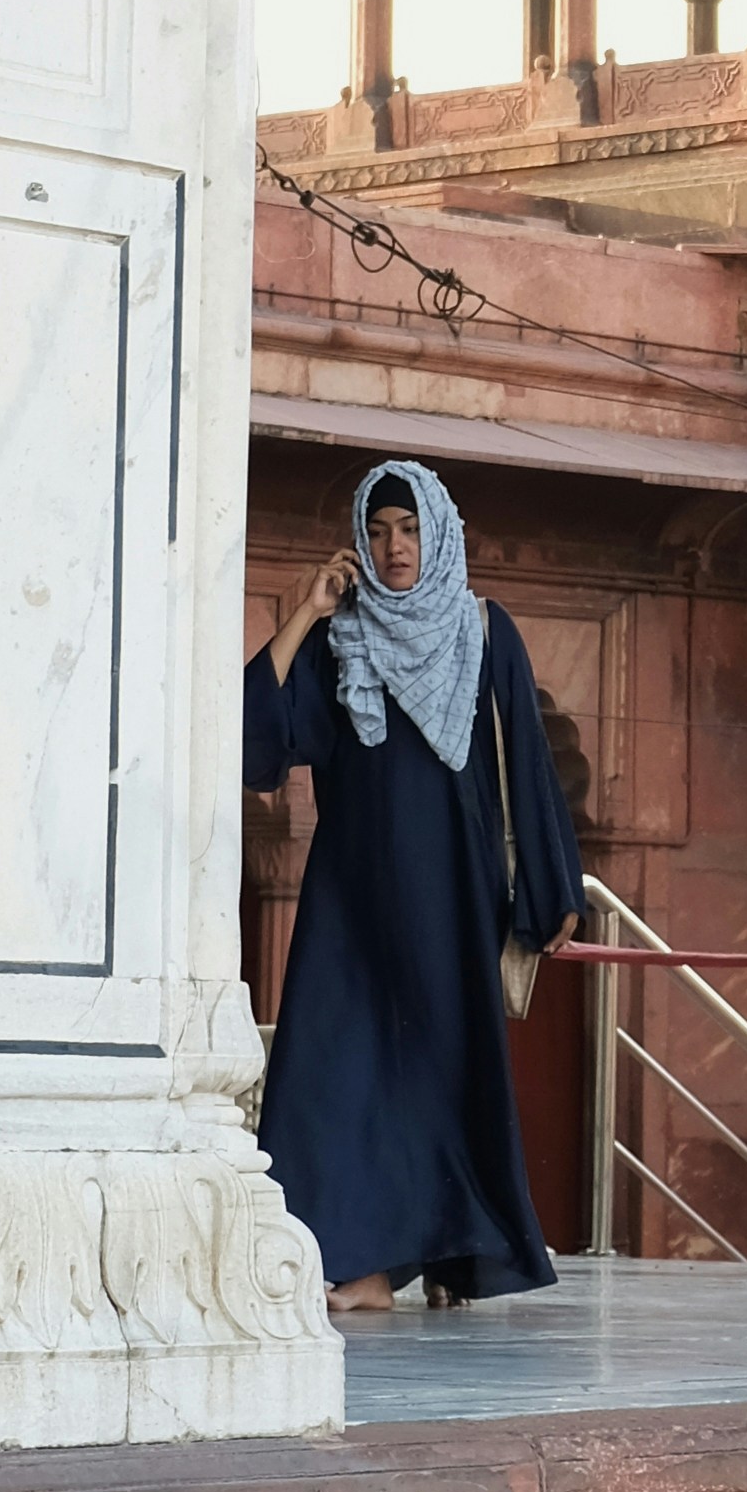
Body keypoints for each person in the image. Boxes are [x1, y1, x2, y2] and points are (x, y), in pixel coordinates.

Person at [247, 462, 581, 1308]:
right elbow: (258, 746)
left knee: (442, 1070)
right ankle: (361, 1264)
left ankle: (439, 1255)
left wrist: (551, 889)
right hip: (350, 894)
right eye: (382, 530)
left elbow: (529, 767)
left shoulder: (483, 629)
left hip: (452, 890)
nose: (397, 548)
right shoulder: (338, 637)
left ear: (440, 535)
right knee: (328, 1070)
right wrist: (304, 615)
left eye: (412, 529)